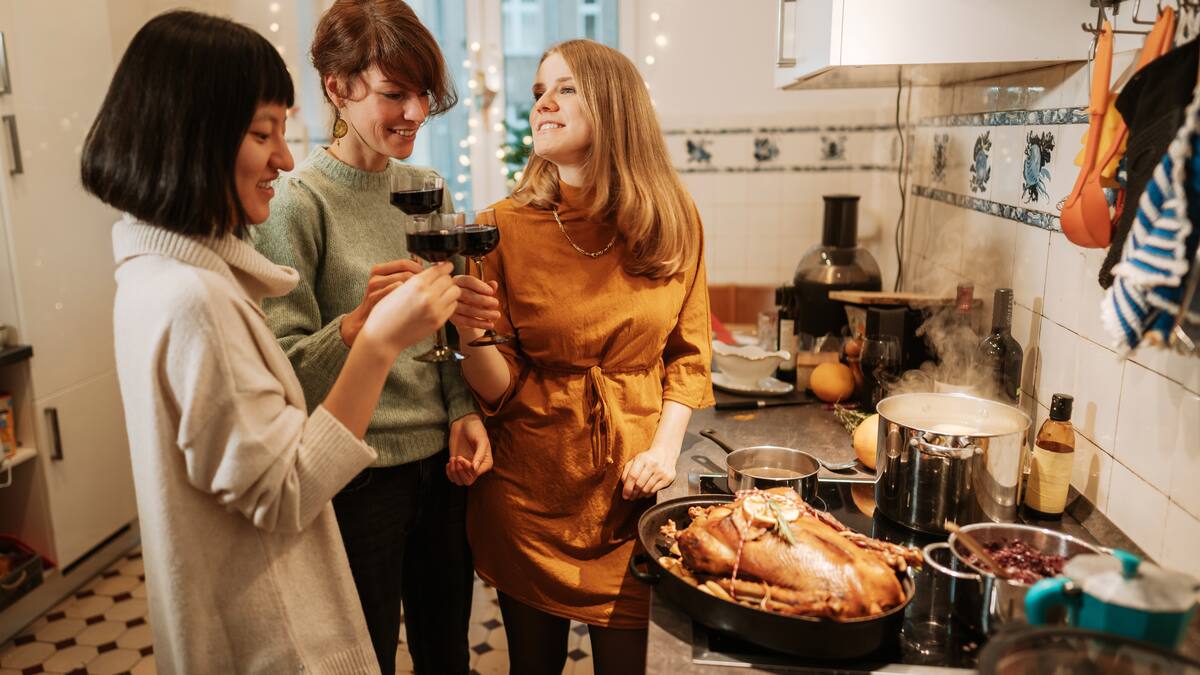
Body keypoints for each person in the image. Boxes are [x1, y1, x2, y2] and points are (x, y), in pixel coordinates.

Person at [81, 10, 461, 674]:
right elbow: (284, 487)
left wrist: (462, 404)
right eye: (263, 133)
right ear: (194, 136)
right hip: (284, 610)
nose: (283, 157)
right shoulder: (196, 294)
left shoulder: (161, 274)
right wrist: (371, 338)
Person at [452, 38, 714, 675]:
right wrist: (466, 335)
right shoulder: (501, 227)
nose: (543, 102)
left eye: (565, 88)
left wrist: (663, 451)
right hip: (529, 492)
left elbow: (689, 356)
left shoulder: (673, 219)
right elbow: (499, 388)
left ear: (615, 106)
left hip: (630, 498)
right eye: (539, 90)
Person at [251, 2, 489, 673]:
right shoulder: (296, 202)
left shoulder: (426, 189)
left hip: (443, 468)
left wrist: (463, 412)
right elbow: (290, 374)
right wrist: (355, 324)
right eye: (393, 93)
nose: (414, 111)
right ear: (337, 87)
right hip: (357, 481)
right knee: (366, 655)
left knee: (448, 651)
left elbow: (444, 326)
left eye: (422, 94)